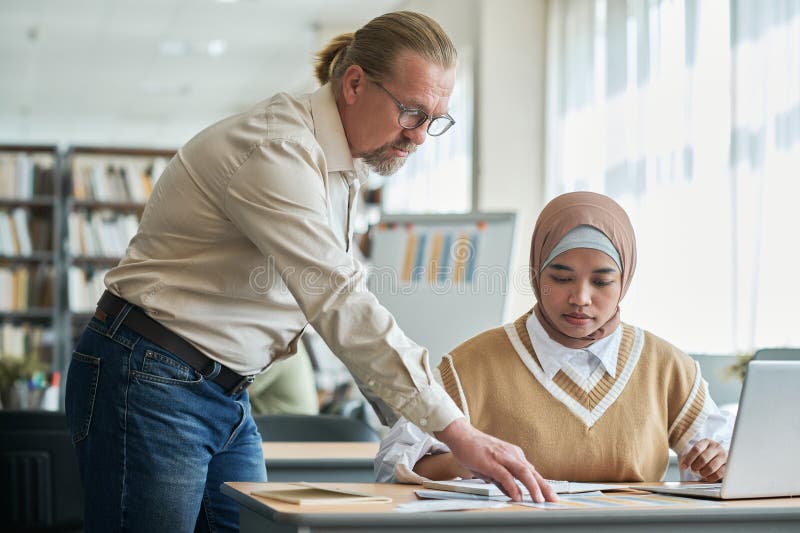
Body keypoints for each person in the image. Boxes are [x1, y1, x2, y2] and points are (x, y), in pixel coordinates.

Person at [65, 10, 555, 533]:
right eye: (411, 113)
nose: (419, 138)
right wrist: (458, 432)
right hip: (151, 377)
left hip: (222, 392)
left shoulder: (340, 165)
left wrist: (415, 429)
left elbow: (342, 300)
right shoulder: (278, 150)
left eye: (434, 120)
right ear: (353, 84)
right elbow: (338, 300)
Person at [375, 191, 733, 485]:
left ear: (625, 280)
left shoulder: (667, 367)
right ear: (536, 274)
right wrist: (469, 463)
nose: (580, 297)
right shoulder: (469, 366)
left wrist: (719, 463)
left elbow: (726, 460)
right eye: (561, 278)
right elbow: (393, 465)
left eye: (602, 282)